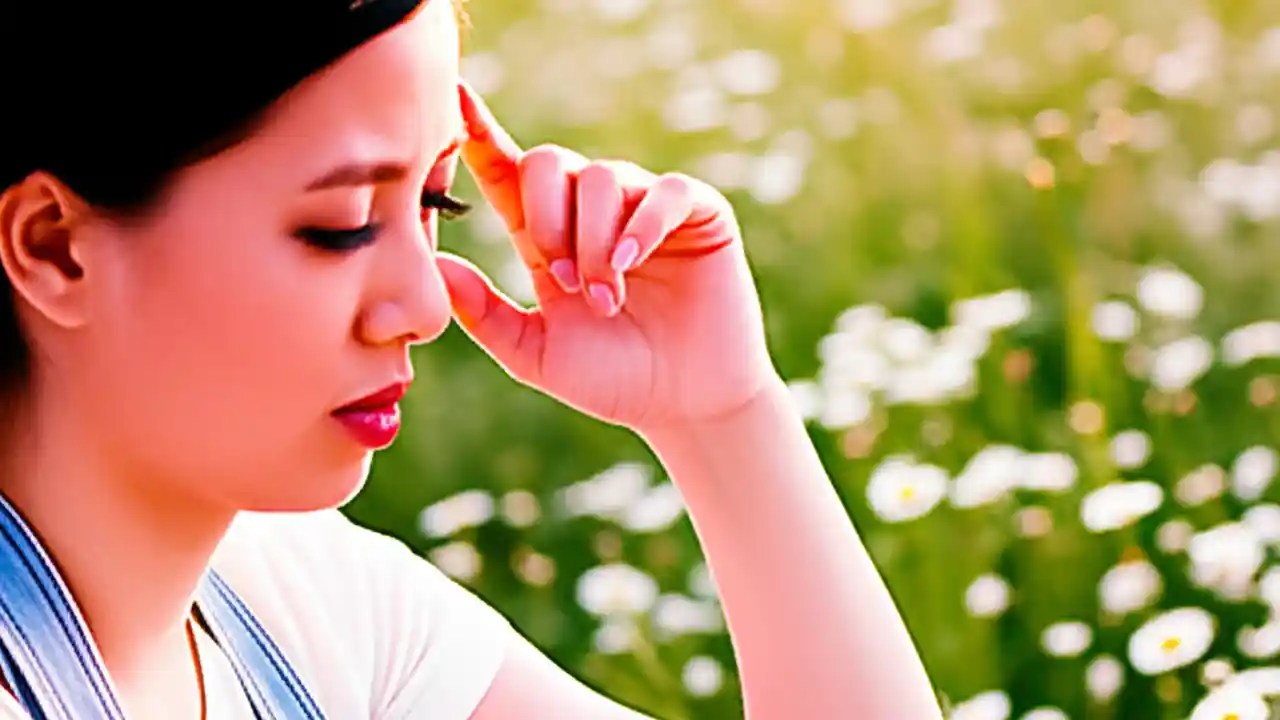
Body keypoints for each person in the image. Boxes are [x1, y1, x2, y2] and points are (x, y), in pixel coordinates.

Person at [0, 0, 943, 718]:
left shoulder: (325, 609)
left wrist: (723, 415)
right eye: (341, 227)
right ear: (54, 248)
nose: (424, 306)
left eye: (433, 205)